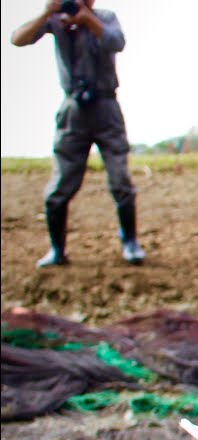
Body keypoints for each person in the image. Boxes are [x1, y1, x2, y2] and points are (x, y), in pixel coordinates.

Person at [10, 0, 144, 268]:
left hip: (106, 106)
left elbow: (117, 42)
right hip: (73, 109)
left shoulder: (105, 17)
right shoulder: (54, 21)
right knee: (61, 185)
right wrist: (47, 13)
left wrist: (88, 21)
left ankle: (130, 242)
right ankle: (57, 249)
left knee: (120, 179)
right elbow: (18, 39)